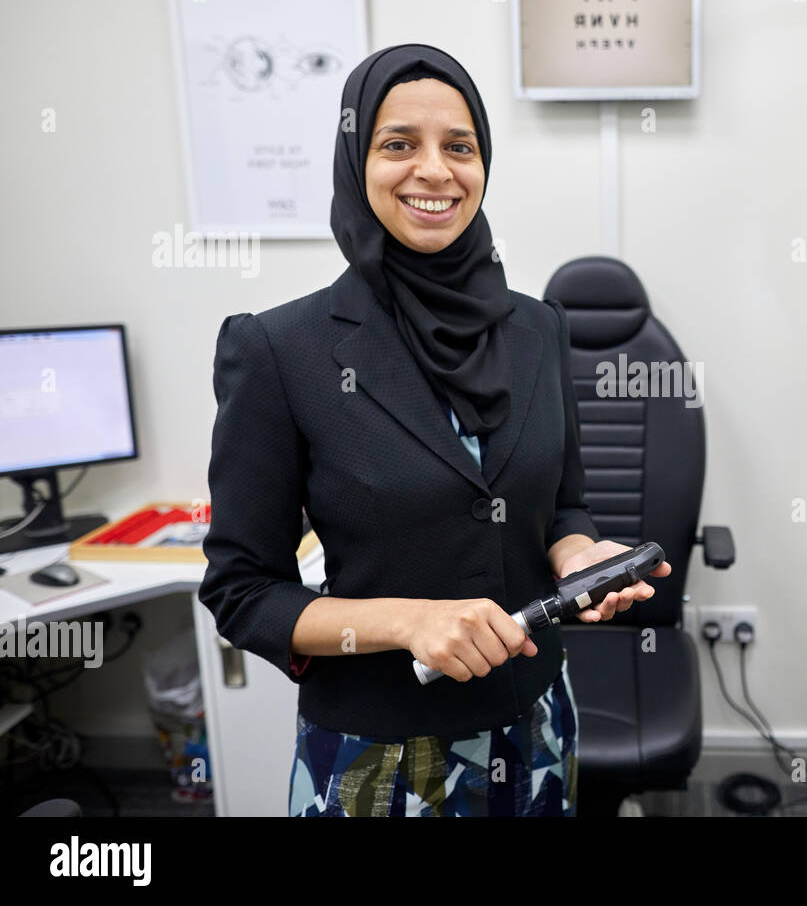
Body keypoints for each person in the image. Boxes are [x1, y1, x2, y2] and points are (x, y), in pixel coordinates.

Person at [199, 43, 669, 816]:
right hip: (380, 754)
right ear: (357, 163)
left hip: (537, 726)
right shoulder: (282, 350)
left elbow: (564, 507)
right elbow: (243, 592)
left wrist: (582, 557)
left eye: (460, 147)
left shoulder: (538, 329)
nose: (434, 170)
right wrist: (410, 622)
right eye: (398, 145)